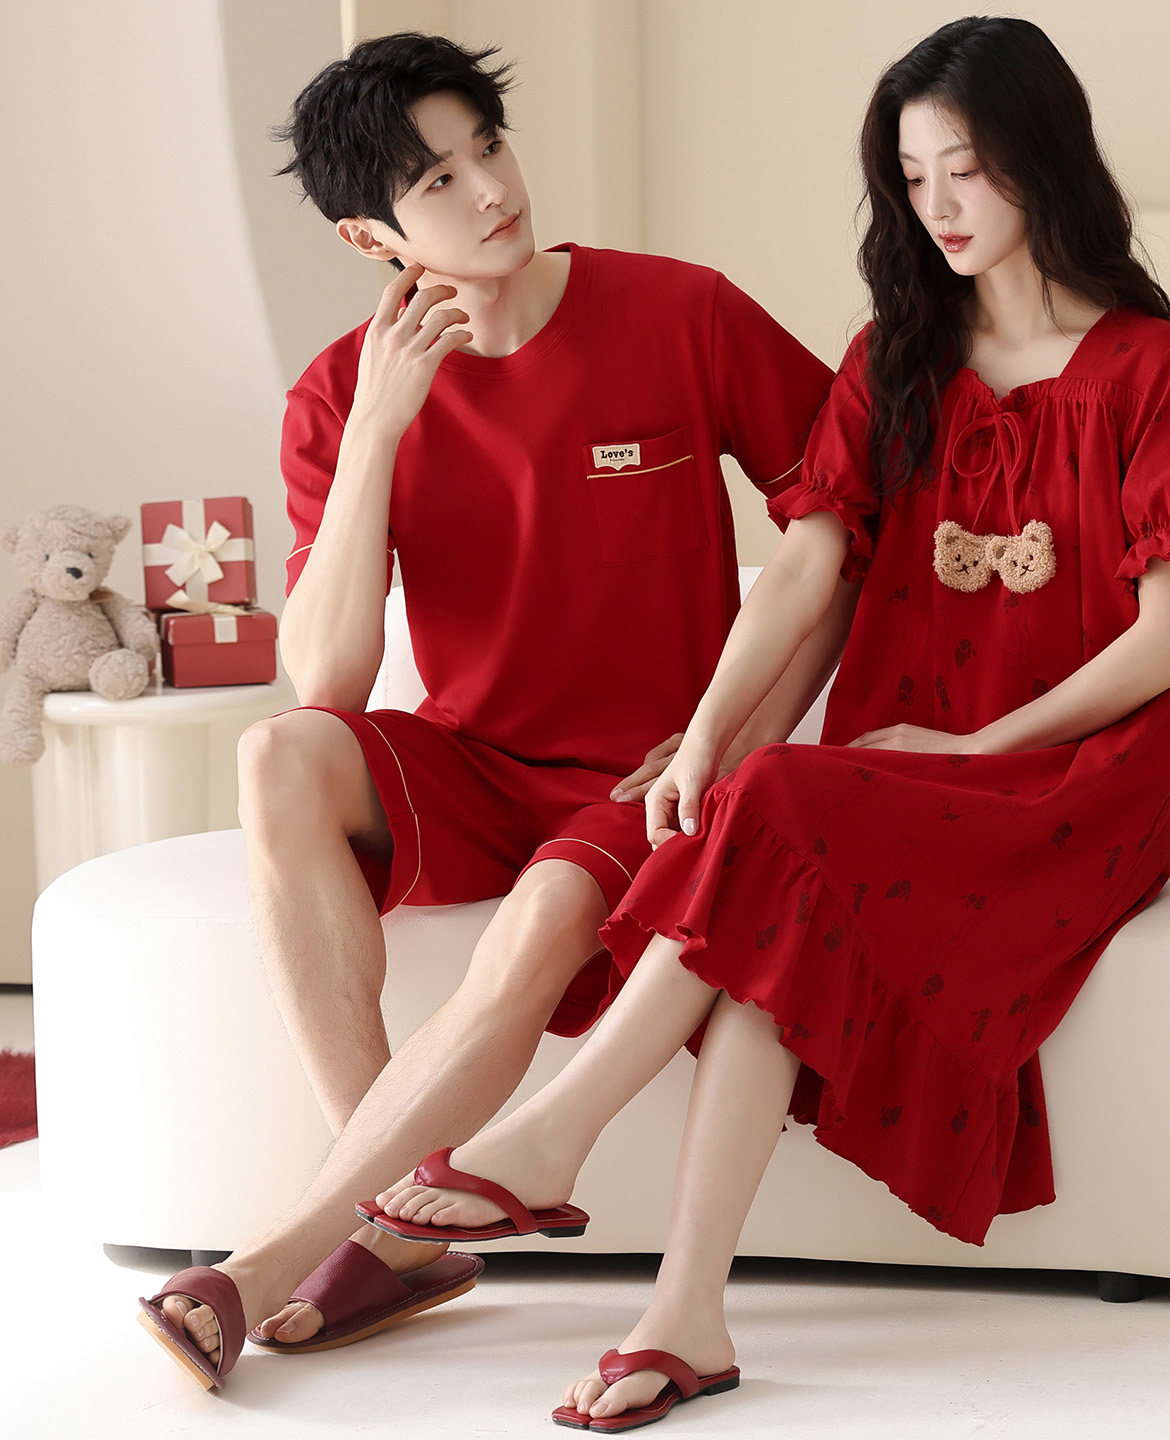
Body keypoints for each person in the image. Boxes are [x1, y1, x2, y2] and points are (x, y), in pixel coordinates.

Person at [342, 15, 1170, 1431]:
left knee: (778, 808)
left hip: (1070, 789)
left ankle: (554, 1133)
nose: (939, 206)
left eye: (966, 169)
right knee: (772, 898)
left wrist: (973, 750)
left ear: (1043, 159)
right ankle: (684, 1319)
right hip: (894, 775)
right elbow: (806, 564)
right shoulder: (897, 355)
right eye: (913, 177)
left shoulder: (1148, 371)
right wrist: (706, 736)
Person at [137, 31, 837, 1391]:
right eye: (438, 183)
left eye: (490, 148)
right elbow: (327, 686)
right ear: (369, 238)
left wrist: (742, 739)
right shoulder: (339, 395)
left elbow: (845, 531)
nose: (493, 191)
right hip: (470, 762)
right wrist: (380, 429)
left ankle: (271, 1263)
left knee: (544, 908)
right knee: (278, 756)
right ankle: (393, 1220)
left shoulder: (682, 311)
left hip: (645, 781)